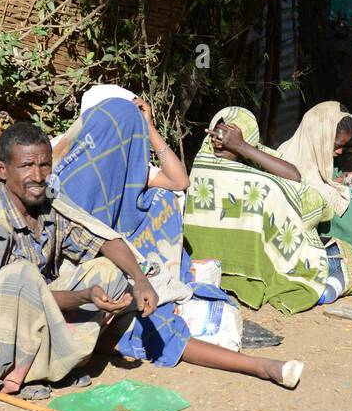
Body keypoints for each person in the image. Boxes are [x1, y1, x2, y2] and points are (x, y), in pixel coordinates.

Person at [54, 95, 305, 387]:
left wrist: (150, 129)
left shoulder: (120, 168)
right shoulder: (56, 180)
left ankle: (261, 366)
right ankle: (258, 366)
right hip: (71, 296)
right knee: (145, 325)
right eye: (132, 134)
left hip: (113, 290)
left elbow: (178, 182)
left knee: (154, 319)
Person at [0, 123, 152, 399]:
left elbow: (102, 239)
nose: (38, 176)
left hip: (36, 313)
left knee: (110, 270)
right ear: (2, 170)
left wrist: (140, 280)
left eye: (45, 165)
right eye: (26, 166)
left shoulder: (48, 208)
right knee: (22, 275)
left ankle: (51, 363)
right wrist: (82, 296)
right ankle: (21, 372)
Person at [185, 107, 352, 312]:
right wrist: (345, 188)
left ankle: (346, 268)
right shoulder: (274, 168)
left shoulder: (329, 165)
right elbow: (297, 184)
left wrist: (344, 182)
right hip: (293, 244)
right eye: (337, 145)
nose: (340, 152)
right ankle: (342, 275)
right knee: (342, 241)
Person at [278, 102, 352, 272]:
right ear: (319, 135)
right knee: (334, 200)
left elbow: (329, 179)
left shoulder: (325, 155)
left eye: (344, 146)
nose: (340, 152)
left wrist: (340, 179)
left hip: (334, 201)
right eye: (337, 146)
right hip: (316, 219)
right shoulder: (287, 156)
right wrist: (337, 187)